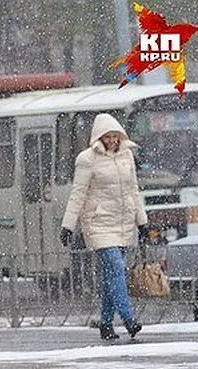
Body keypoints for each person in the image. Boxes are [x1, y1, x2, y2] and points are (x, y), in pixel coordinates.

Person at [59, 112, 149, 341]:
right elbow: (78, 194)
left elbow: (133, 191)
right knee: (117, 268)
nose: (112, 141)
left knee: (112, 274)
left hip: (123, 222)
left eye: (115, 136)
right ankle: (129, 319)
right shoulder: (87, 159)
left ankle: (106, 323)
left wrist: (143, 222)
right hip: (99, 224)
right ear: (99, 138)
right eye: (107, 137)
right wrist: (68, 226)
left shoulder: (127, 155)